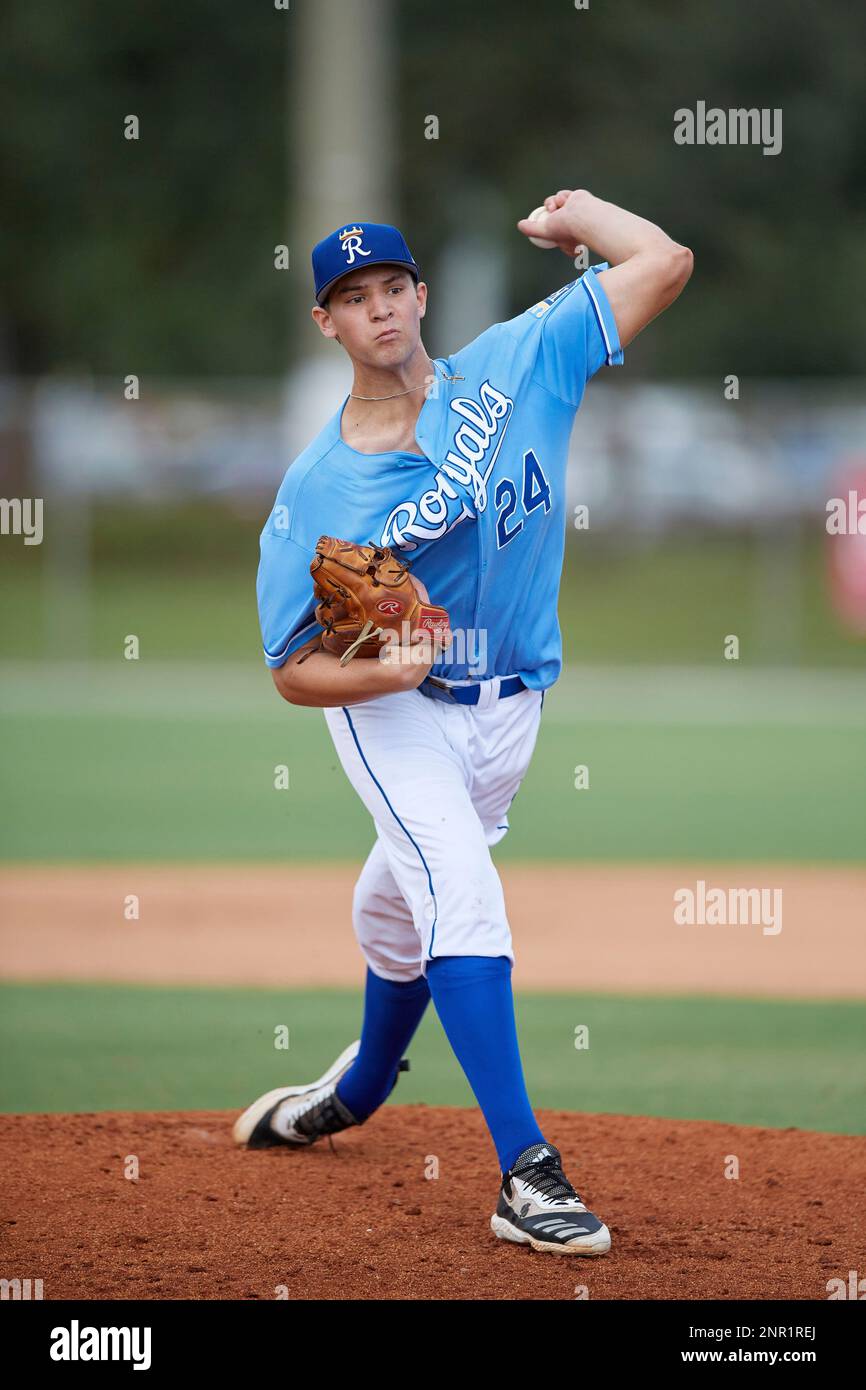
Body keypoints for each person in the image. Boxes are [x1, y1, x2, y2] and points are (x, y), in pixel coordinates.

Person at [234, 192, 693, 1256]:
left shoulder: (517, 364)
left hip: (511, 708)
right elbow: (291, 669)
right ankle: (526, 1176)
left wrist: (580, 212)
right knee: (458, 890)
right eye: (352, 298)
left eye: (391, 286)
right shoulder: (317, 490)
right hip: (394, 715)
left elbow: (663, 262)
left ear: (420, 295)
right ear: (328, 327)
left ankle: (350, 1089)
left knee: (399, 913)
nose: (379, 309)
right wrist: (383, 673)